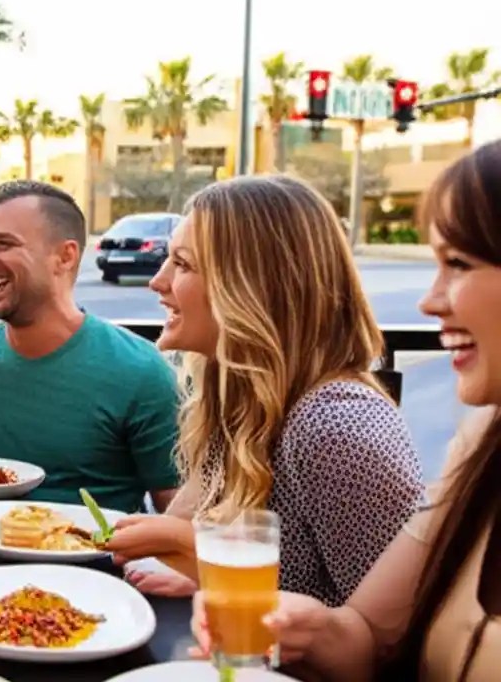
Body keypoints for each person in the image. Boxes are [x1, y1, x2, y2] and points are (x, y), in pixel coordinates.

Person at [189, 142, 501, 681]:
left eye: (458, 263)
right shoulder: (481, 444)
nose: (429, 301)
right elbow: (370, 639)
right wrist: (316, 629)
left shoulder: (338, 423)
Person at [105, 175, 423, 603]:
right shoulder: (237, 393)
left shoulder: (337, 427)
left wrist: (198, 549)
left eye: (181, 264)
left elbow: (397, 629)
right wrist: (205, 571)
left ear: (250, 286)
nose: (157, 282)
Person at [0, 180, 181, 513]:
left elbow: (175, 514)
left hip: (93, 561)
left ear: (65, 256)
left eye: (3, 244)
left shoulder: (141, 371)